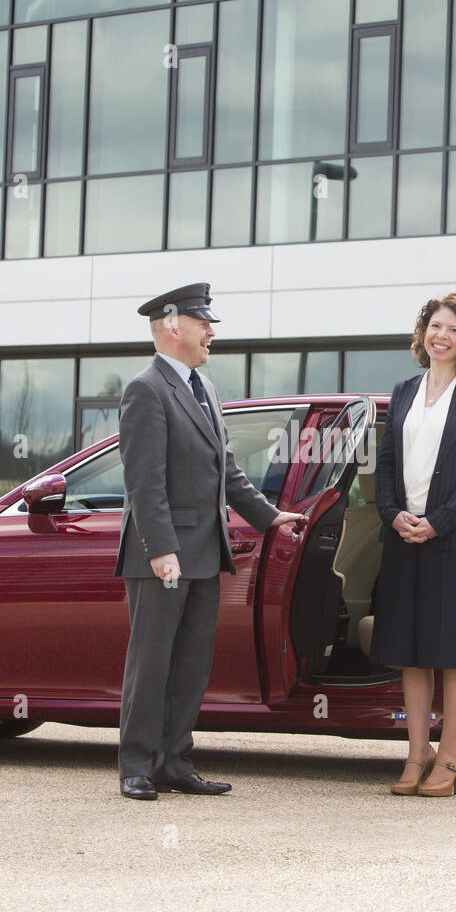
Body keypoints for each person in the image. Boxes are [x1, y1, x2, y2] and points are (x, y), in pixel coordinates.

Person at [114, 282, 304, 800]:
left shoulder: (204, 389)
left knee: (192, 664)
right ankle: (136, 766)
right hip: (165, 554)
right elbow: (144, 482)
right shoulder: (146, 389)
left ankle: (173, 762)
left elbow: (229, 473)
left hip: (204, 551)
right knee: (152, 662)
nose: (211, 332)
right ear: (173, 327)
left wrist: (269, 517)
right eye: (203, 323)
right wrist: (162, 550)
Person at [369, 292, 456, 797]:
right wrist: (392, 513)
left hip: (451, 542)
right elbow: (383, 464)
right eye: (433, 326)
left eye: (451, 329)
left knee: (454, 652)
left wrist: (437, 522)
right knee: (413, 652)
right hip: (402, 538)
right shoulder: (402, 390)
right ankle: (415, 751)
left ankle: (449, 755)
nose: (439, 335)